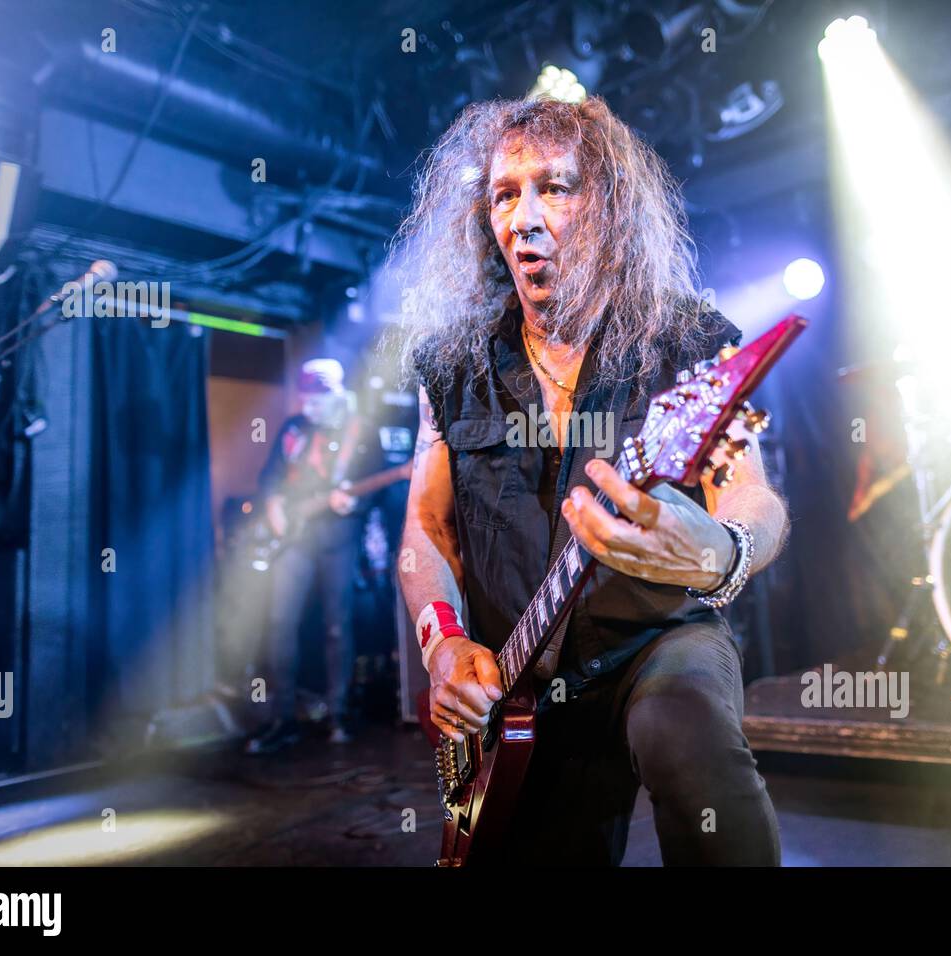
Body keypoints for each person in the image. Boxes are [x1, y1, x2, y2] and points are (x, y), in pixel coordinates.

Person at [392, 95, 788, 864]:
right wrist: (442, 645)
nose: (524, 218)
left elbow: (754, 497)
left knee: (687, 729)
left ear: (607, 206)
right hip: (519, 678)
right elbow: (426, 529)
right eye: (505, 194)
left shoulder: (687, 339)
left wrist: (724, 551)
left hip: (655, 641)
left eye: (556, 188)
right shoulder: (450, 366)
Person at [245, 358, 362, 754]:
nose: (308, 402)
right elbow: (269, 478)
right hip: (293, 538)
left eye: (316, 394)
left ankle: (339, 713)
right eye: (304, 394)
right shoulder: (293, 429)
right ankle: (282, 719)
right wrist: (275, 504)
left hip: (337, 538)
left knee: (337, 625)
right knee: (280, 623)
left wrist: (354, 503)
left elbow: (380, 480)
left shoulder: (357, 429)